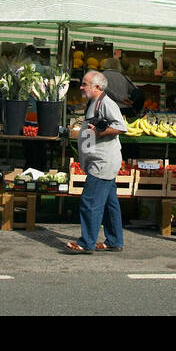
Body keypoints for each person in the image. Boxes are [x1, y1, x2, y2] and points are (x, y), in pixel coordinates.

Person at [64, 70, 128, 253]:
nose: (81, 87)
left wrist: (101, 132)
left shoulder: (107, 103)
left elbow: (120, 127)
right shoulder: (94, 102)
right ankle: (114, 240)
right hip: (98, 160)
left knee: (90, 201)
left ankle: (86, 243)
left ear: (97, 87)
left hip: (103, 162)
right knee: (109, 203)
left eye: (85, 84)